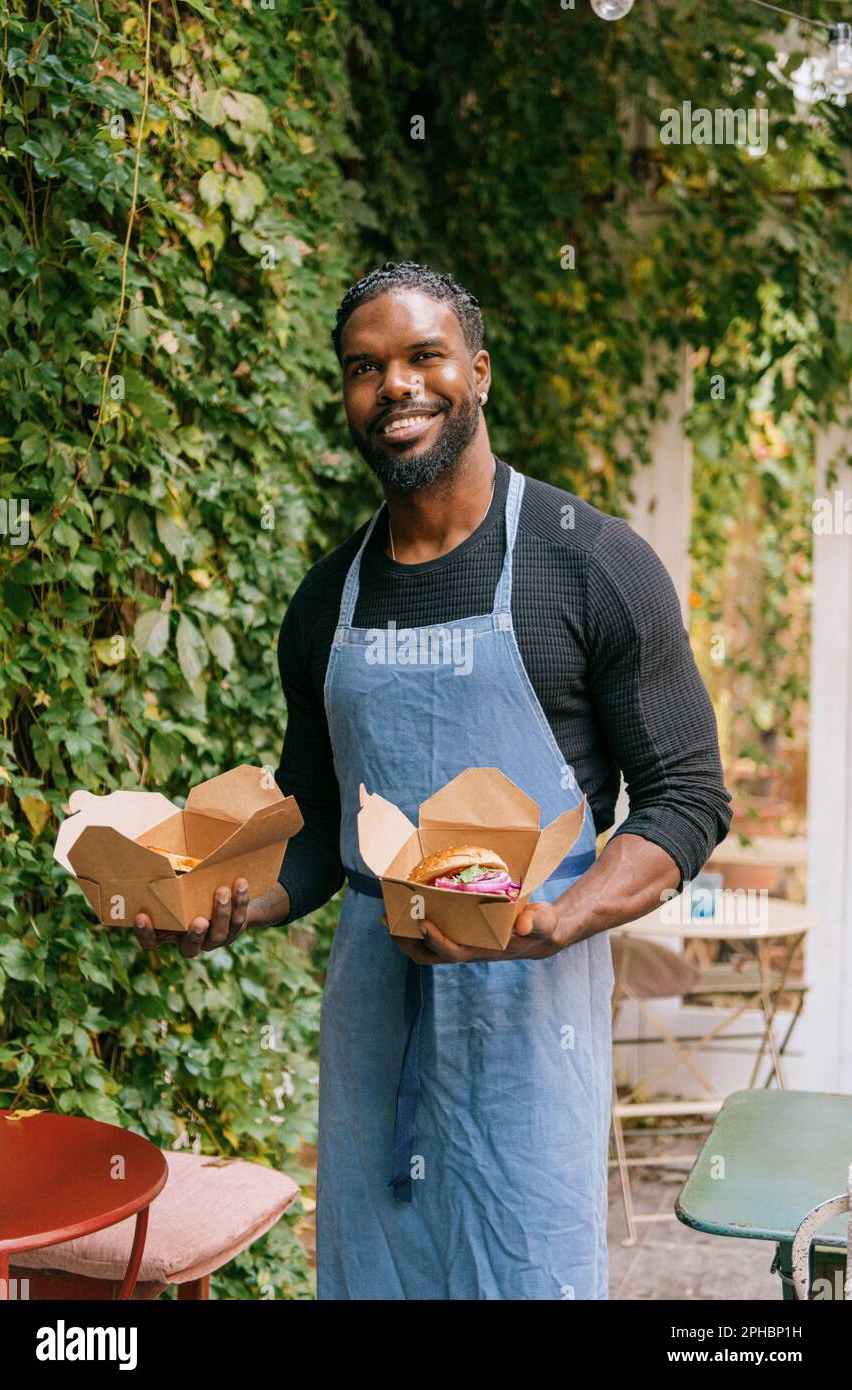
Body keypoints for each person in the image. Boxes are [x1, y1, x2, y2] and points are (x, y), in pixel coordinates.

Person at [135, 260, 732, 1300]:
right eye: (365, 369)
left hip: (529, 1004)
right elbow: (319, 819)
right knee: (377, 1272)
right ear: (347, 398)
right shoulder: (326, 599)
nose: (396, 386)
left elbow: (687, 797)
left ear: (478, 371)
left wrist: (557, 916)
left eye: (422, 355)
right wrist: (242, 901)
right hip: (376, 1008)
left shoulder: (589, 564)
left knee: (524, 1266)